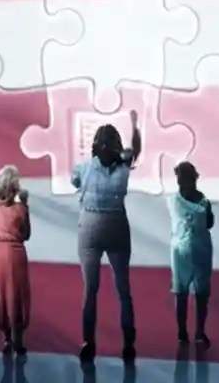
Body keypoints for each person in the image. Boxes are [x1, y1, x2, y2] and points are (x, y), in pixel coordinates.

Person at [70, 111, 142, 363]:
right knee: (123, 289)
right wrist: (135, 125)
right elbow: (136, 149)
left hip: (89, 224)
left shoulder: (83, 167)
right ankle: (129, 346)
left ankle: (88, 342)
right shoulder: (124, 165)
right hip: (117, 223)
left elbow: (74, 180)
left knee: (90, 290)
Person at [168, 161, 215, 347]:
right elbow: (210, 223)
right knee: (201, 293)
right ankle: (199, 333)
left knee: (181, 292)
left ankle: (182, 333)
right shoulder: (204, 203)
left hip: (180, 251)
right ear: (195, 178)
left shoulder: (173, 201)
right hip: (201, 248)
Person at [0, 165, 31, 358]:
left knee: (0, 294)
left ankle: (5, 339)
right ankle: (18, 341)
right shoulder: (20, 209)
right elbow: (27, 234)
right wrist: (25, 204)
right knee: (17, 296)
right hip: (15, 253)